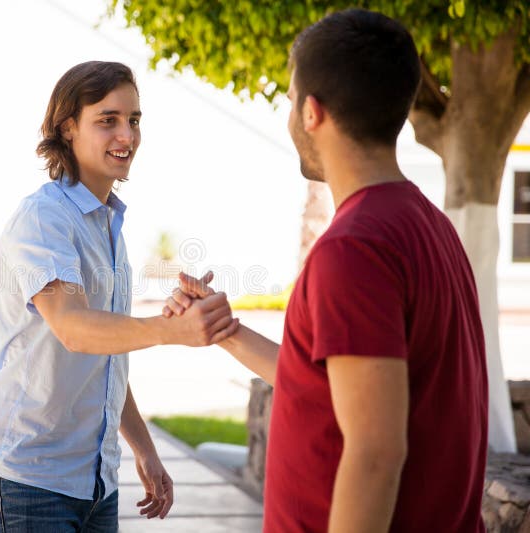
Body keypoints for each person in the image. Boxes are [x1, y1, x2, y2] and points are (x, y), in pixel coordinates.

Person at [165, 9, 488, 532]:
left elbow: (376, 453)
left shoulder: (354, 249)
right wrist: (227, 331)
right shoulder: (428, 225)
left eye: (291, 99)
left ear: (312, 112)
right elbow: (331, 388)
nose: (289, 115)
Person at [0, 61, 239, 533]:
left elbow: (104, 358)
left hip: (96, 486)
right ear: (67, 128)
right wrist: (169, 329)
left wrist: (144, 448)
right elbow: (74, 329)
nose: (127, 136)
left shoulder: (108, 227)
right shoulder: (44, 218)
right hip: (28, 483)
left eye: (134, 120)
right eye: (108, 120)